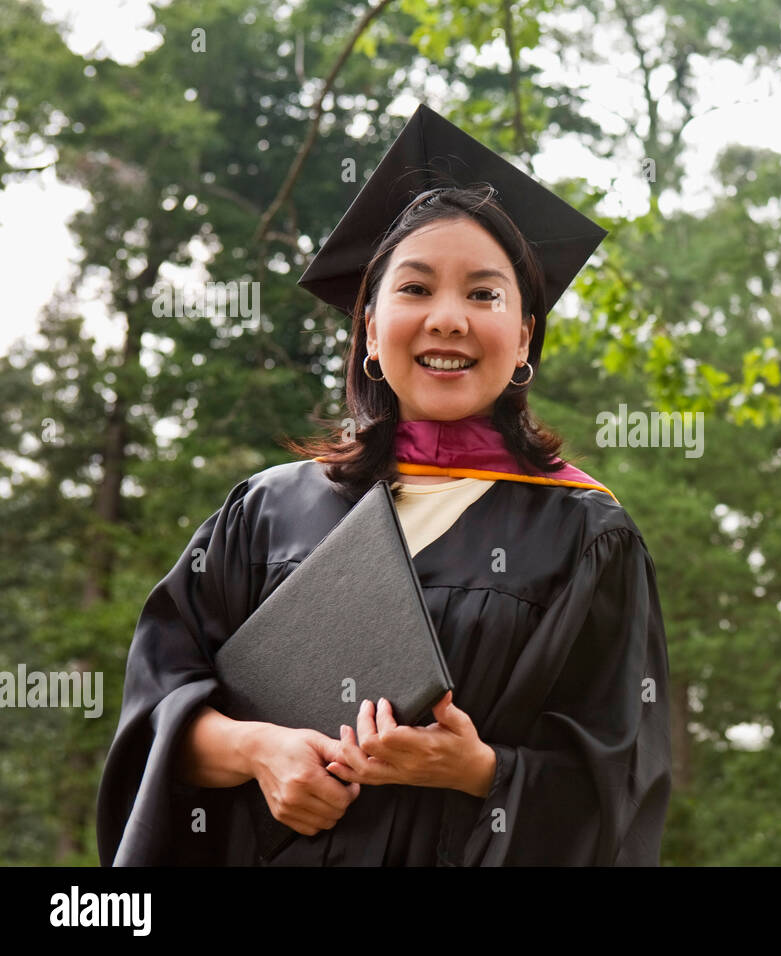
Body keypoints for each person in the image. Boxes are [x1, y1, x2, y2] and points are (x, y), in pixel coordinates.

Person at [95, 105, 672, 866]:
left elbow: (623, 783)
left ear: (525, 334)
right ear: (369, 328)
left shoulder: (586, 535)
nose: (448, 319)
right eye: (415, 289)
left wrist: (481, 773)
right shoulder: (267, 513)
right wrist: (258, 750)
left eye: (484, 294)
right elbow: (153, 725)